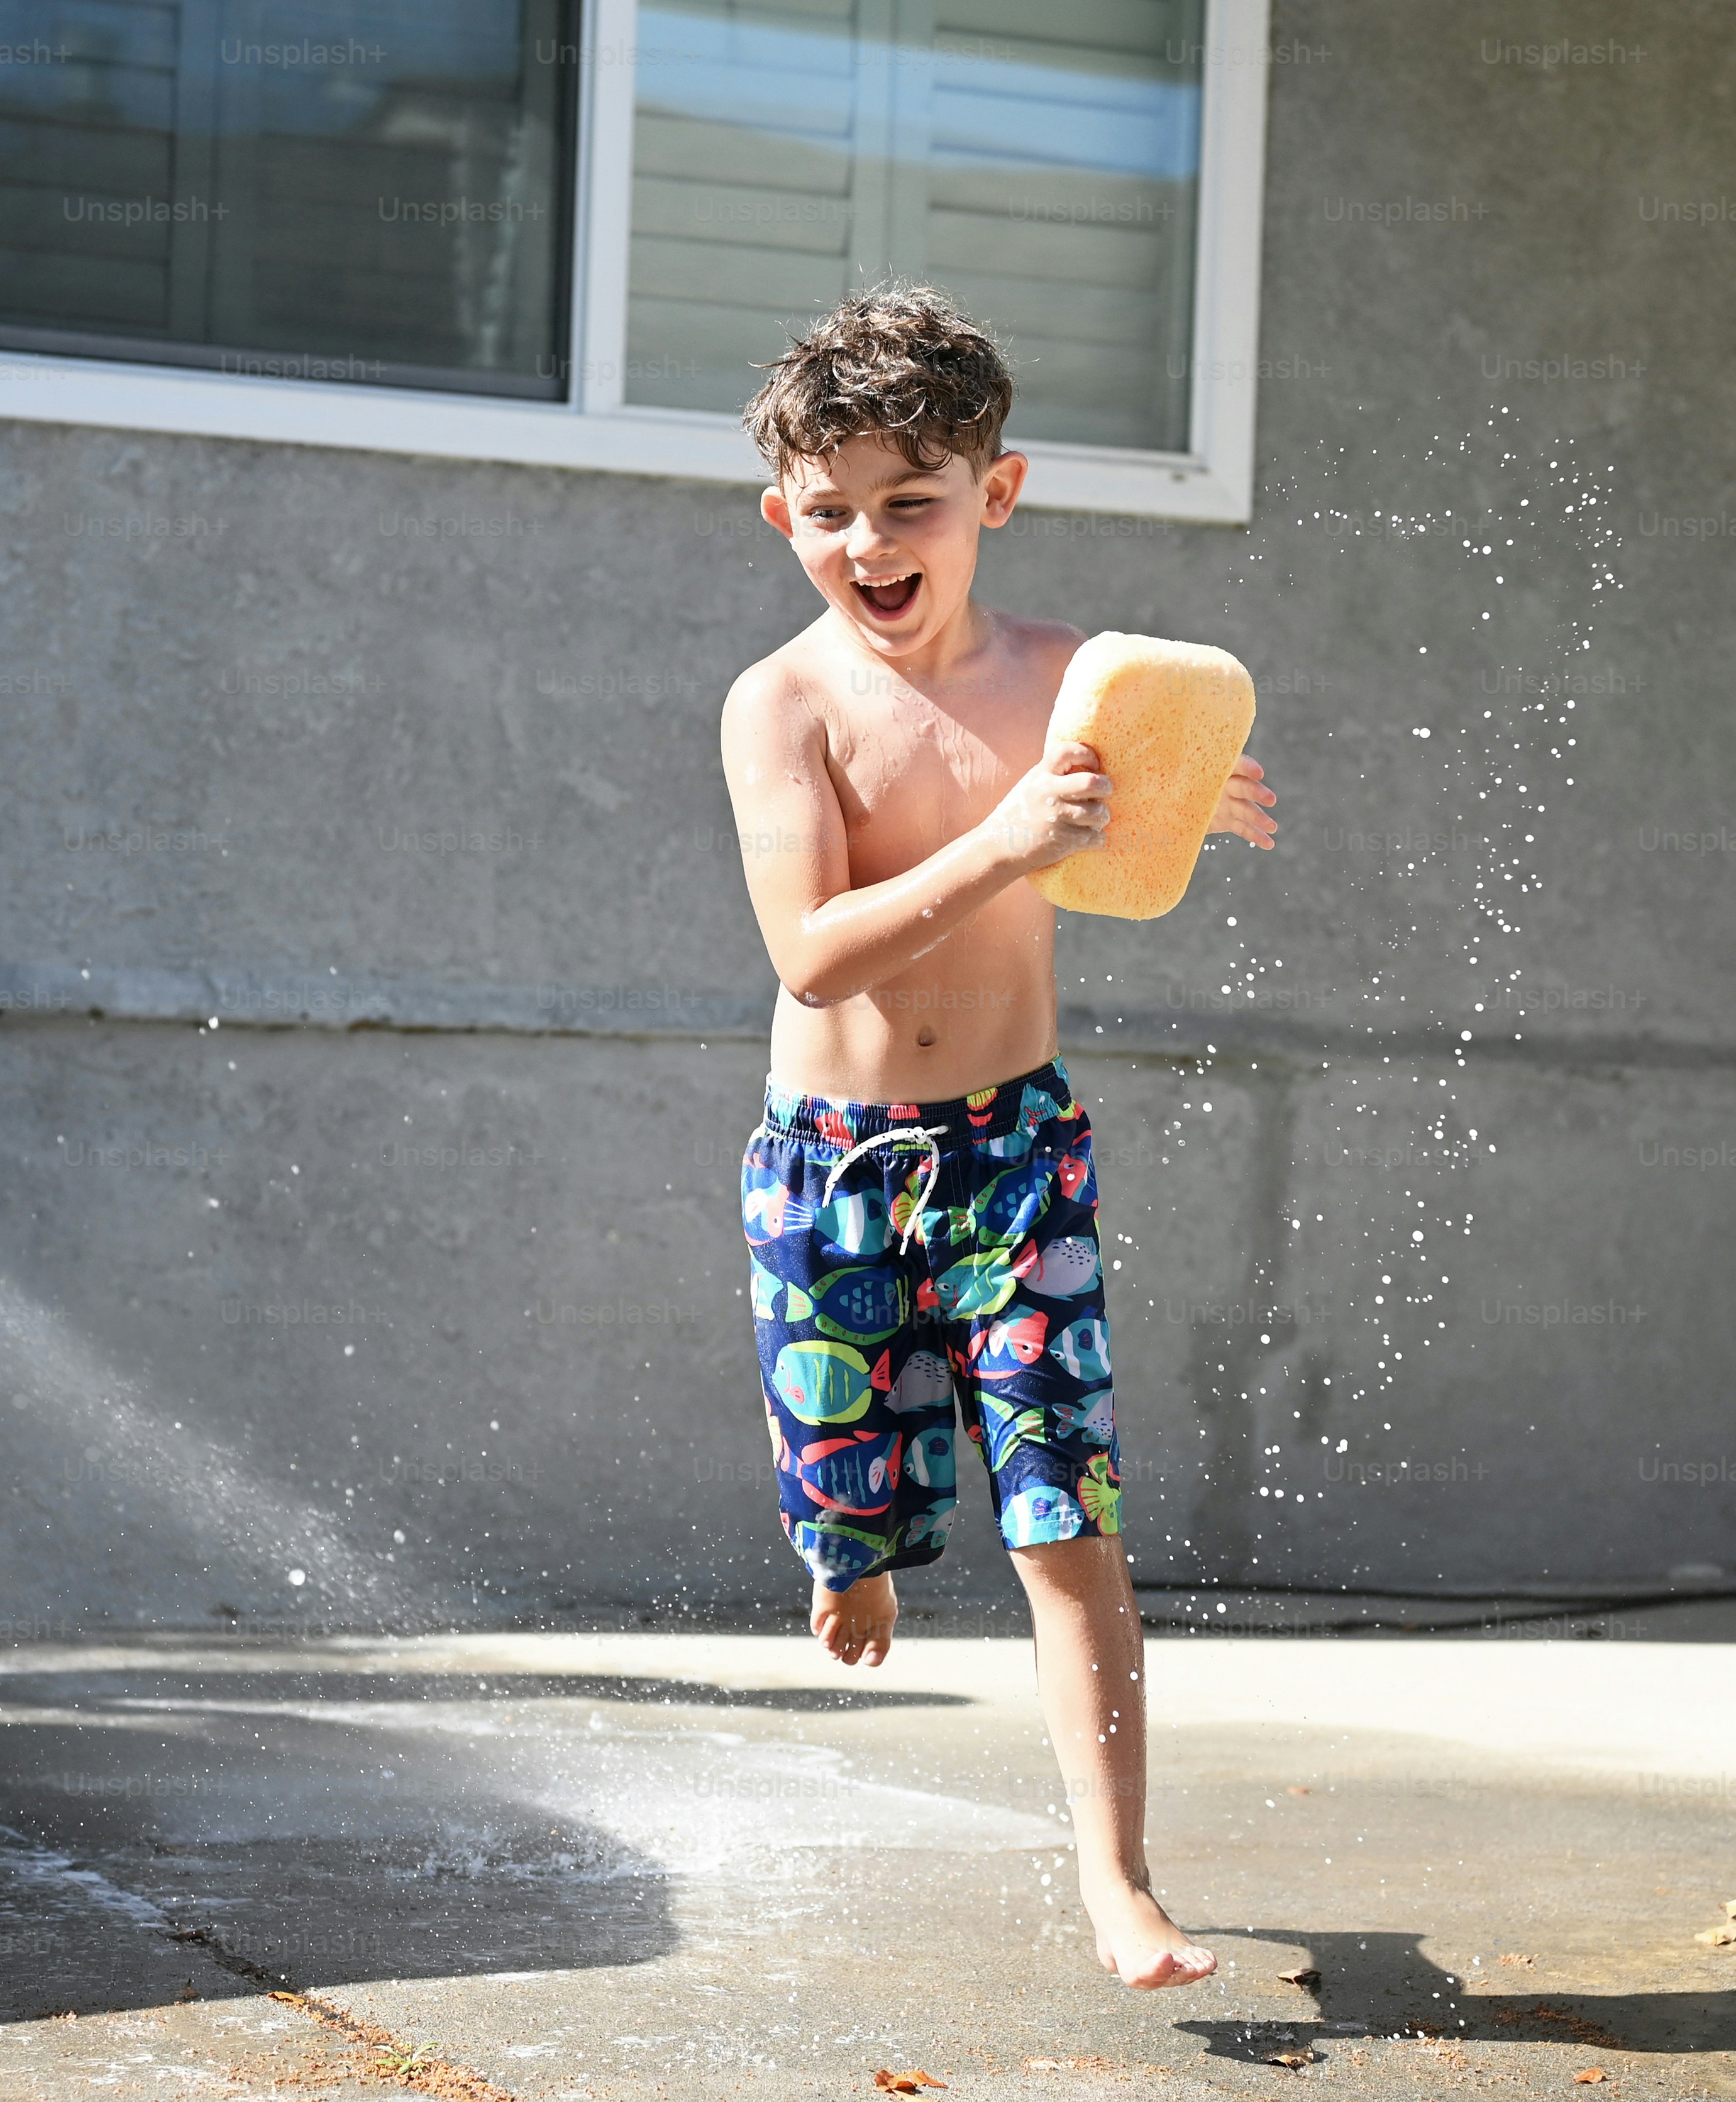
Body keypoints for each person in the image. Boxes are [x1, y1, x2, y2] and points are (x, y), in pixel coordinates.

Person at [718, 287, 1278, 1989]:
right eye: (830, 511)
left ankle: (1116, 1881)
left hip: (1014, 1156)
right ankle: (857, 1549)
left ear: (997, 495)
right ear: (781, 518)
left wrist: (1178, 800)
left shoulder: (1070, 681)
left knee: (1062, 1520)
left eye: (911, 502)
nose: (868, 542)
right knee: (850, 1486)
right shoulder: (782, 705)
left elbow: (1126, 830)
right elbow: (812, 950)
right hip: (829, 1163)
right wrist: (1013, 835)